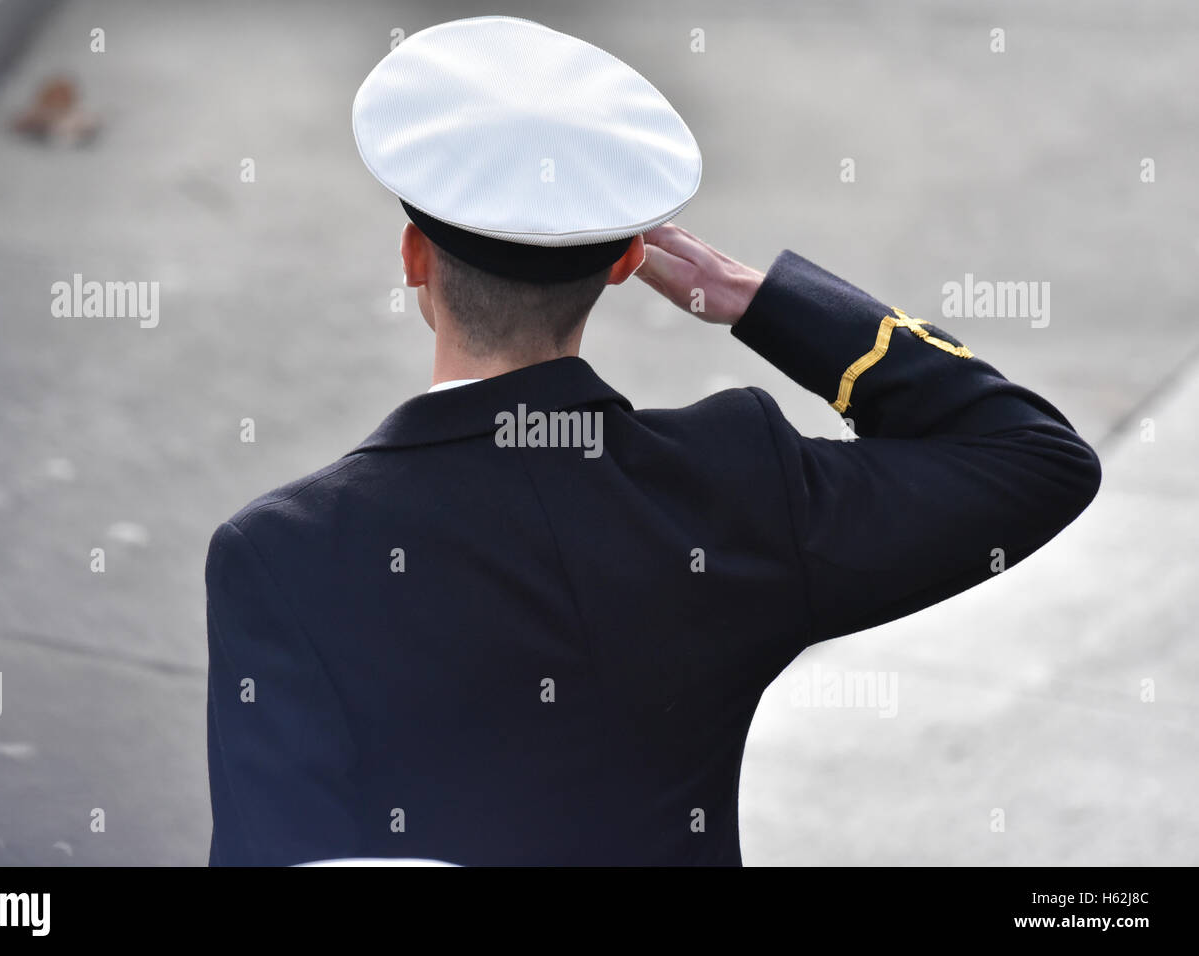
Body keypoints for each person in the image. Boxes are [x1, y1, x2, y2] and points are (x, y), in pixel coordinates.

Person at [204, 16, 1100, 866]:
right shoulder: (734, 487)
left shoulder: (282, 553)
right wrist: (760, 301)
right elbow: (1034, 458)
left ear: (413, 260)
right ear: (628, 262)